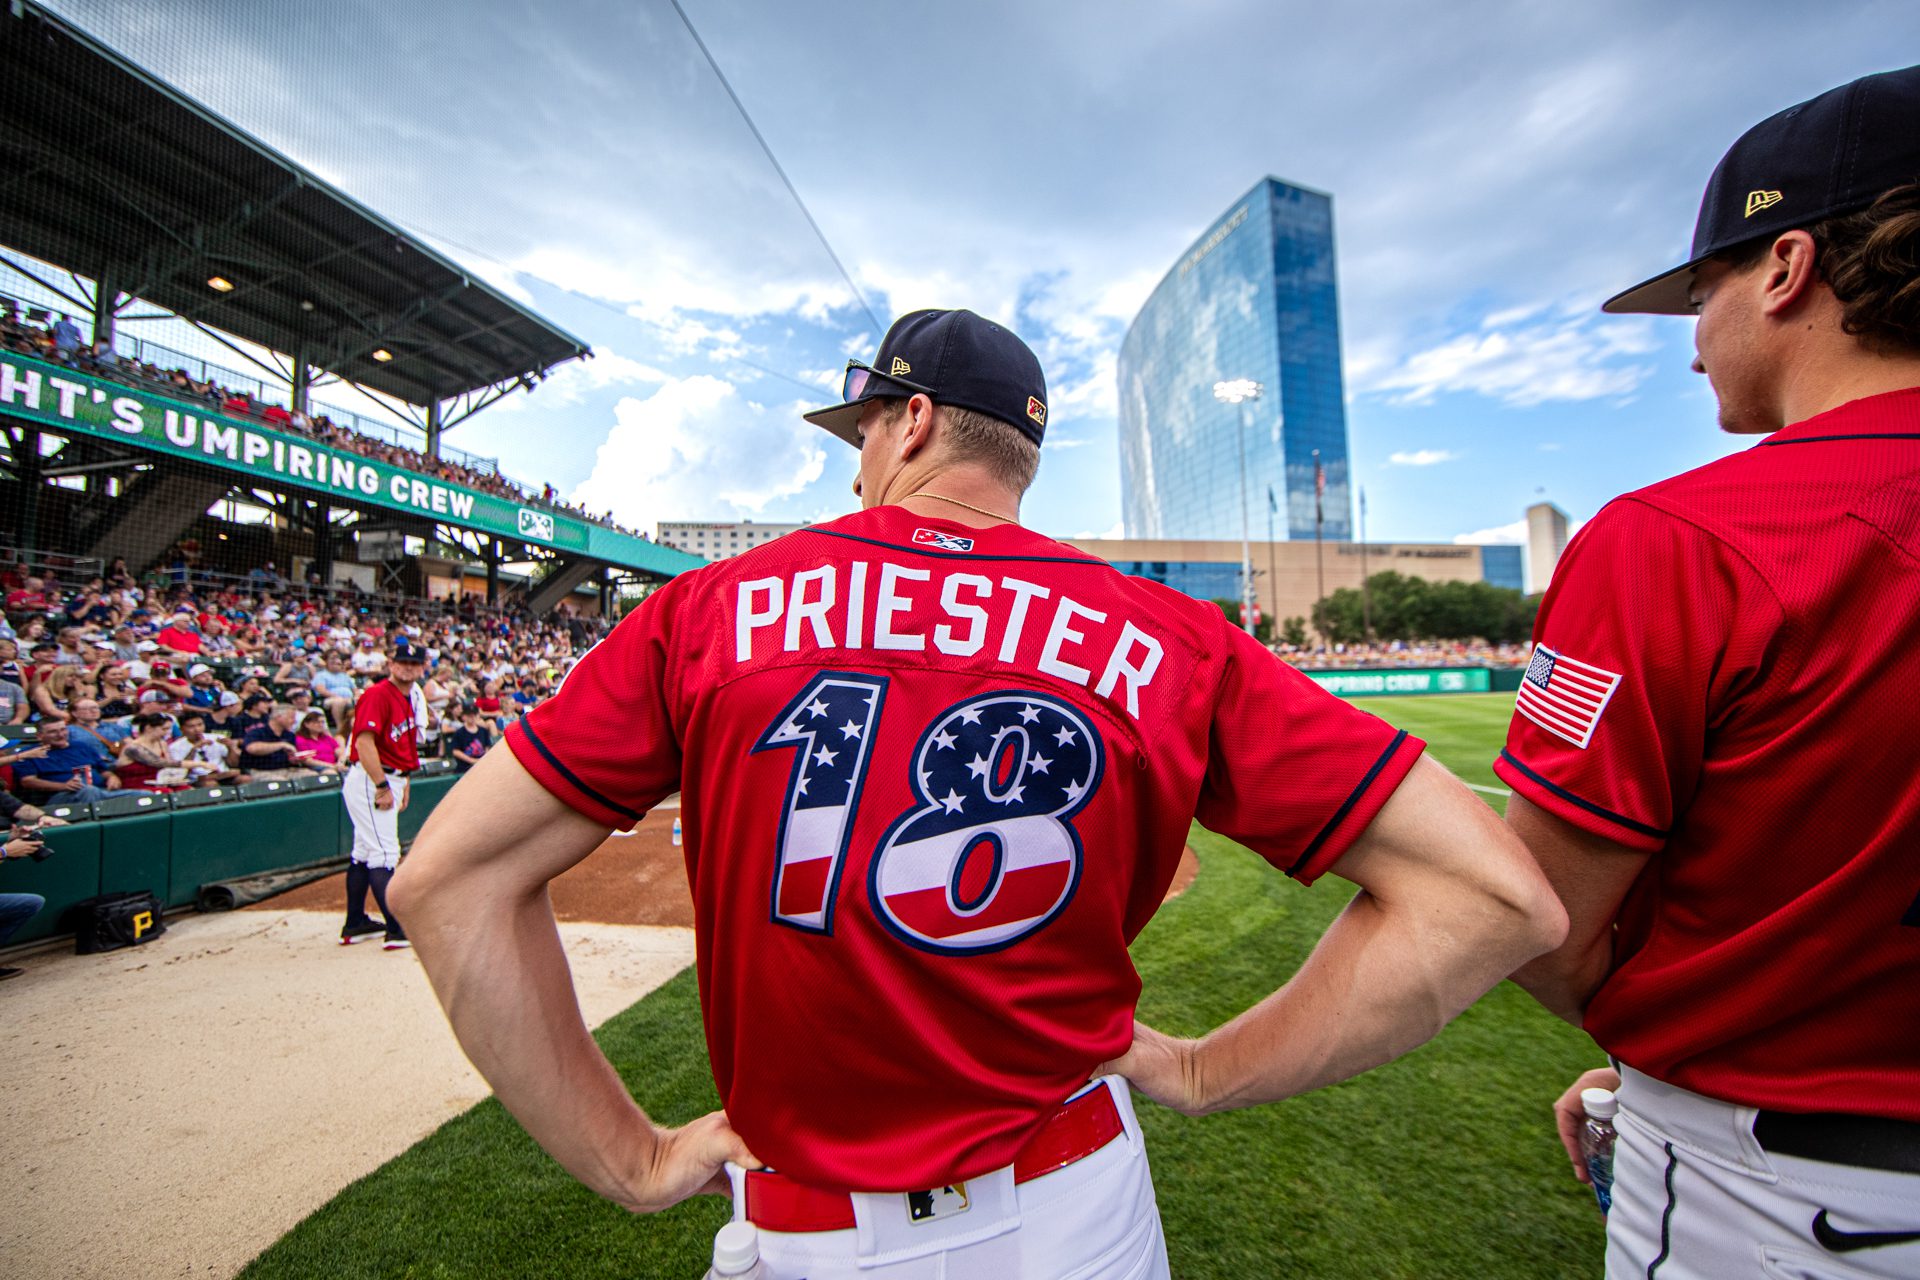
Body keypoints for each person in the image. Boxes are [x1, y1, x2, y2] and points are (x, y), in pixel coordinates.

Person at [391, 309, 1566, 1279]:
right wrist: (1206, 1068)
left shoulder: (709, 611)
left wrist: (632, 1158)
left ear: (909, 421)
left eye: (859, 430)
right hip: (1076, 1213)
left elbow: (448, 880)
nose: (854, 462)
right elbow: (1496, 896)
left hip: (812, 1227)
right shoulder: (1171, 637)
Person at [1498, 68, 1920, 1280]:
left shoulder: (1680, 534)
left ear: (1788, 268)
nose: (1692, 343)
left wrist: (1677, 1054)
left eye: (1704, 289)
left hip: (1794, 1193)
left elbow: (1545, 924)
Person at [339, 637, 424, 950]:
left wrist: (404, 783)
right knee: (385, 853)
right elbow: (363, 744)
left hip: (390, 777)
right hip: (372, 779)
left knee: (363, 852)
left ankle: (355, 922)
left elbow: (402, 746)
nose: (408, 667)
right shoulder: (378, 694)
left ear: (421, 668)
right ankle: (397, 928)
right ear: (391, 664)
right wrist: (382, 786)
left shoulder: (408, 697)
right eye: (402, 661)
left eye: (414, 663)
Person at [11, 720, 117, 803]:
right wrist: (63, 786)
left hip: (101, 791)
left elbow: (103, 770)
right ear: (39, 736)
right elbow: (28, 781)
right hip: (60, 796)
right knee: (89, 791)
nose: (61, 734)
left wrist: (112, 777)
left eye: (63, 730)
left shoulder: (81, 746)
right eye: (53, 732)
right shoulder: (28, 753)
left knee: (132, 795)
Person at [168, 712, 244, 786]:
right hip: (199, 778)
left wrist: (230, 748)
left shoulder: (217, 738)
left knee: (244, 778)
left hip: (224, 774)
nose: (197, 729)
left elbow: (234, 764)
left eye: (200, 725)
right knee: (211, 784)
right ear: (182, 729)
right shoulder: (175, 747)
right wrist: (194, 749)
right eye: (191, 727)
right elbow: (182, 772)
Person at [444, 704, 491, 772]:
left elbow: (487, 747)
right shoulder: (459, 732)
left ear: (478, 716)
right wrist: (472, 760)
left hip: (482, 765)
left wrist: (483, 760)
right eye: (469, 716)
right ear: (464, 717)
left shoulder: (483, 731)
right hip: (465, 767)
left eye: (474, 715)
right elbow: (455, 751)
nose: (472, 718)